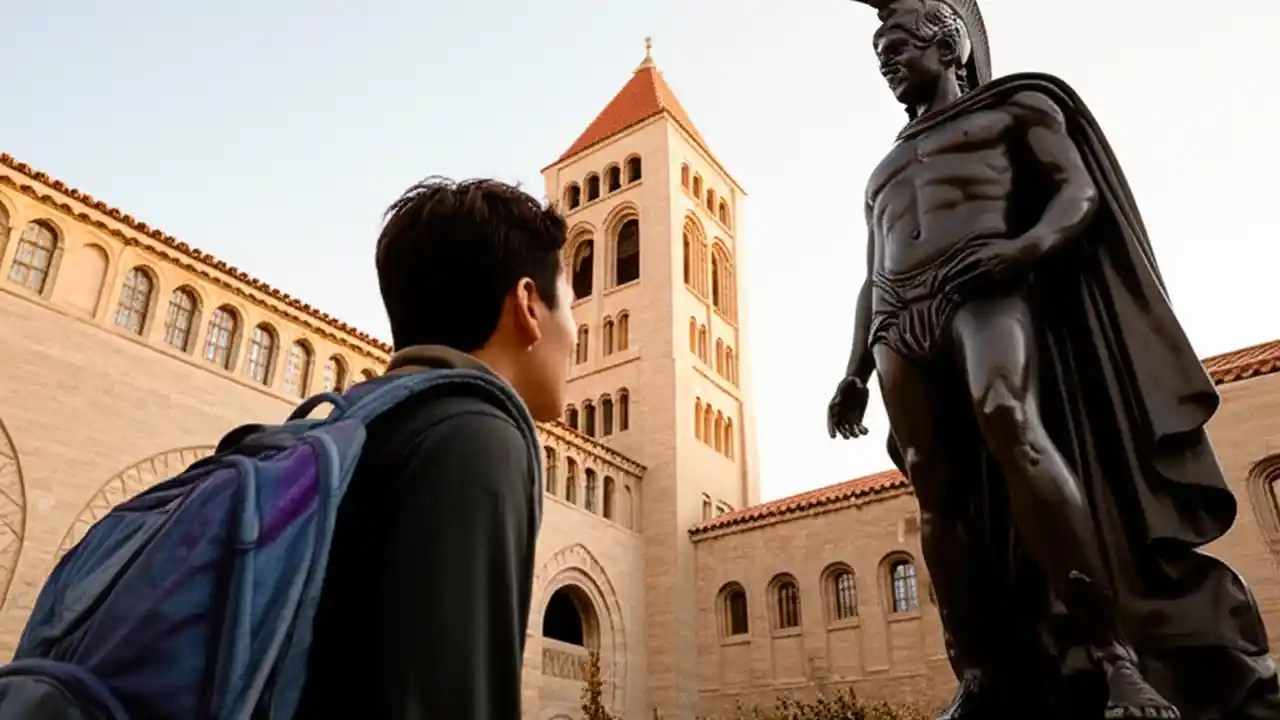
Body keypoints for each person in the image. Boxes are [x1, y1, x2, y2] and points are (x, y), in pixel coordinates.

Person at [827, 1, 1279, 718]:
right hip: (897, 317)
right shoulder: (882, 169)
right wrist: (854, 370)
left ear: (948, 47)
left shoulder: (1018, 105)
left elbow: (1079, 191)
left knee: (1011, 420)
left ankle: (1114, 658)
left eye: (899, 45)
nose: (885, 61)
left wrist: (1023, 249)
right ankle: (976, 672)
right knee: (933, 487)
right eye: (877, 53)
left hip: (982, 284)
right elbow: (871, 269)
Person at [294, 177, 576, 718]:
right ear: (528, 305)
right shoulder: (479, 437)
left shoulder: (362, 425)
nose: (577, 331)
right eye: (569, 301)